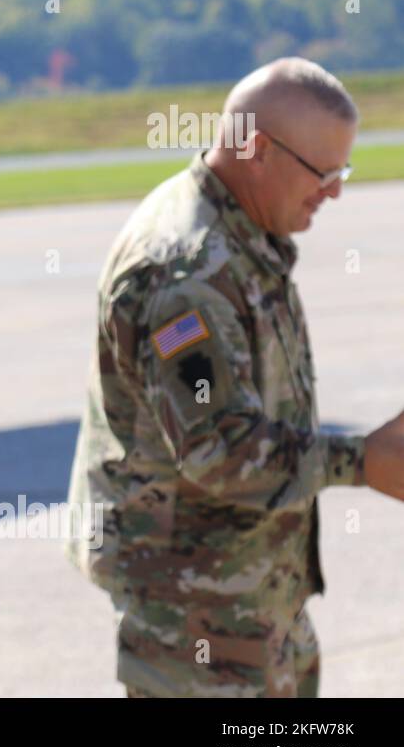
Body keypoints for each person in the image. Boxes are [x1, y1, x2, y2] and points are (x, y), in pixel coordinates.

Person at [66, 57, 404, 697]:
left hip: (248, 603)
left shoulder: (241, 230)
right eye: (323, 172)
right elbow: (218, 448)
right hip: (196, 624)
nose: (335, 190)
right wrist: (363, 461)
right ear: (256, 149)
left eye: (343, 172)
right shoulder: (187, 273)